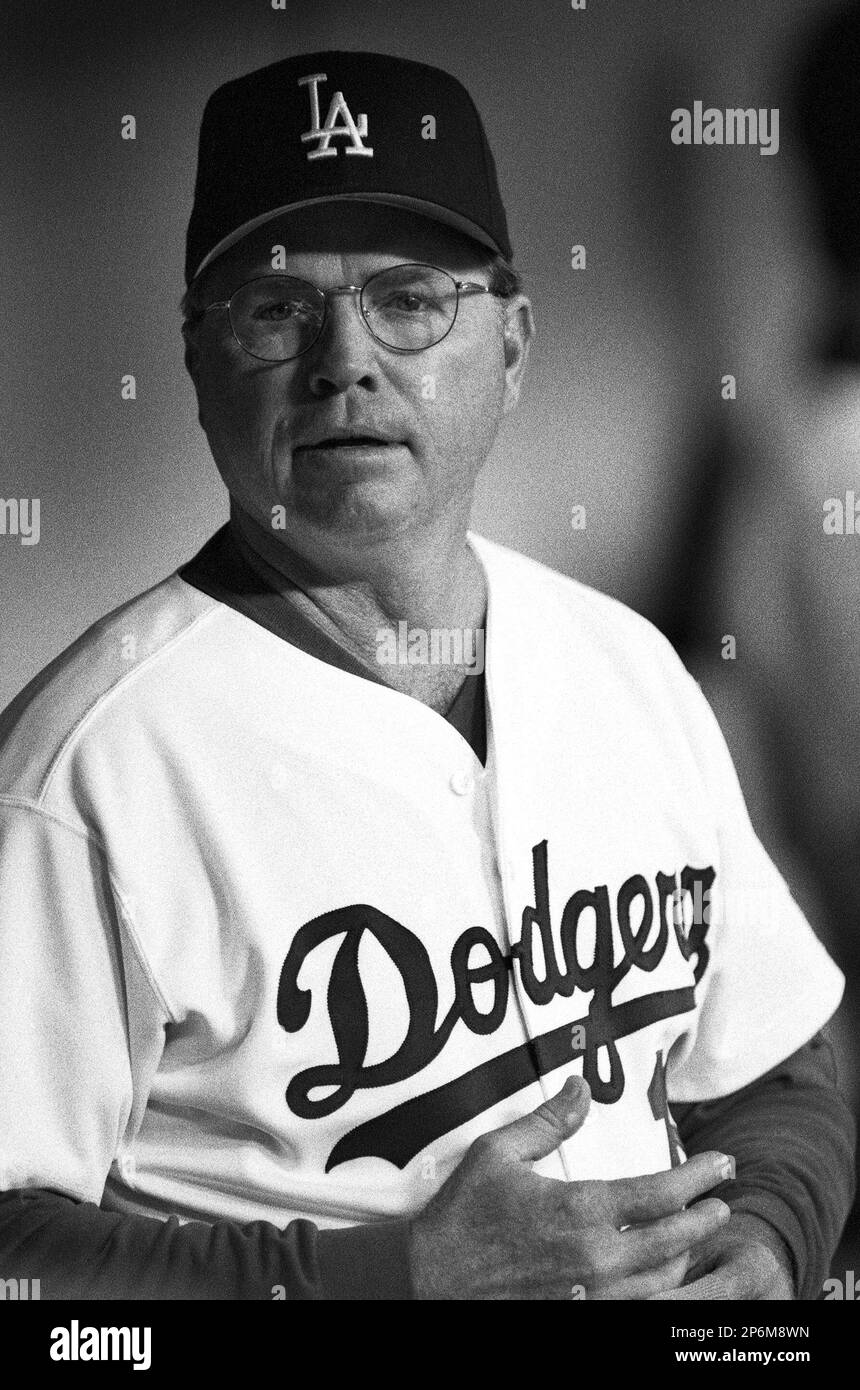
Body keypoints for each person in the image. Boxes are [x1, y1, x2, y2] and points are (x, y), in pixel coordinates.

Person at [0, 50, 853, 1301]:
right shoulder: (86, 773)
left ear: (509, 345)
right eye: (277, 308)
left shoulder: (624, 667)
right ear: (195, 359)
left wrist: (771, 1232)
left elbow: (780, 1067)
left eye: (409, 300)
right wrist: (383, 1277)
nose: (344, 360)